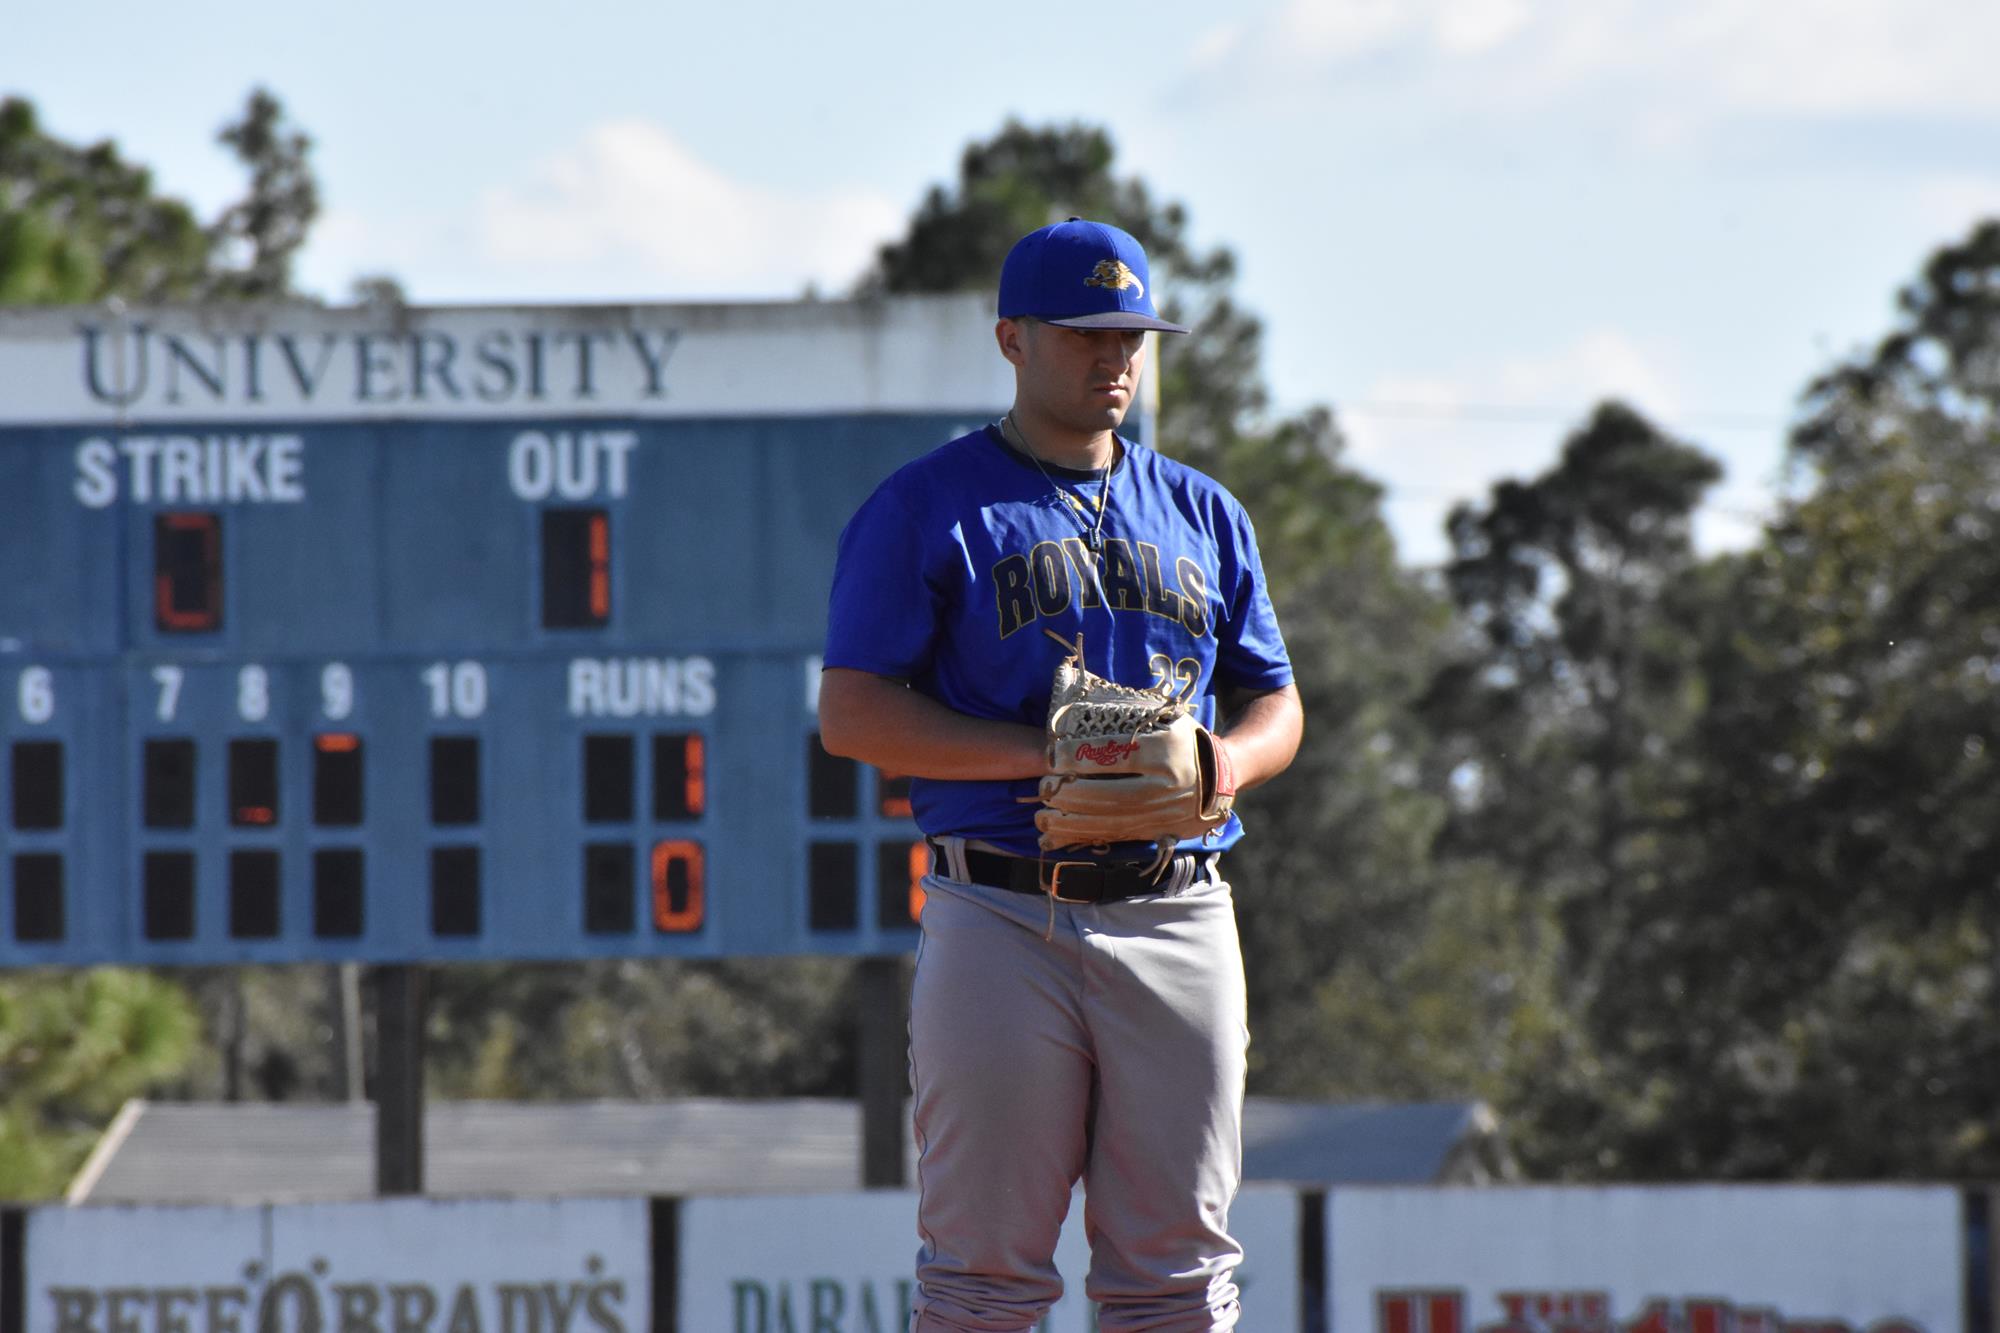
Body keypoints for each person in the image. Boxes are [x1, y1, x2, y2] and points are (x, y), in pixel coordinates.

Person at [818, 217, 1303, 1332]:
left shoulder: (1204, 512)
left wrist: (1221, 763)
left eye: (1130, 331)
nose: (1114, 356)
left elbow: (1276, 702)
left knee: (1176, 1280)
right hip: (998, 909)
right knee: (983, 1279)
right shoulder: (927, 505)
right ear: (1011, 339)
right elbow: (850, 712)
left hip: (1178, 907)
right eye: (1084, 332)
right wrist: (1046, 755)